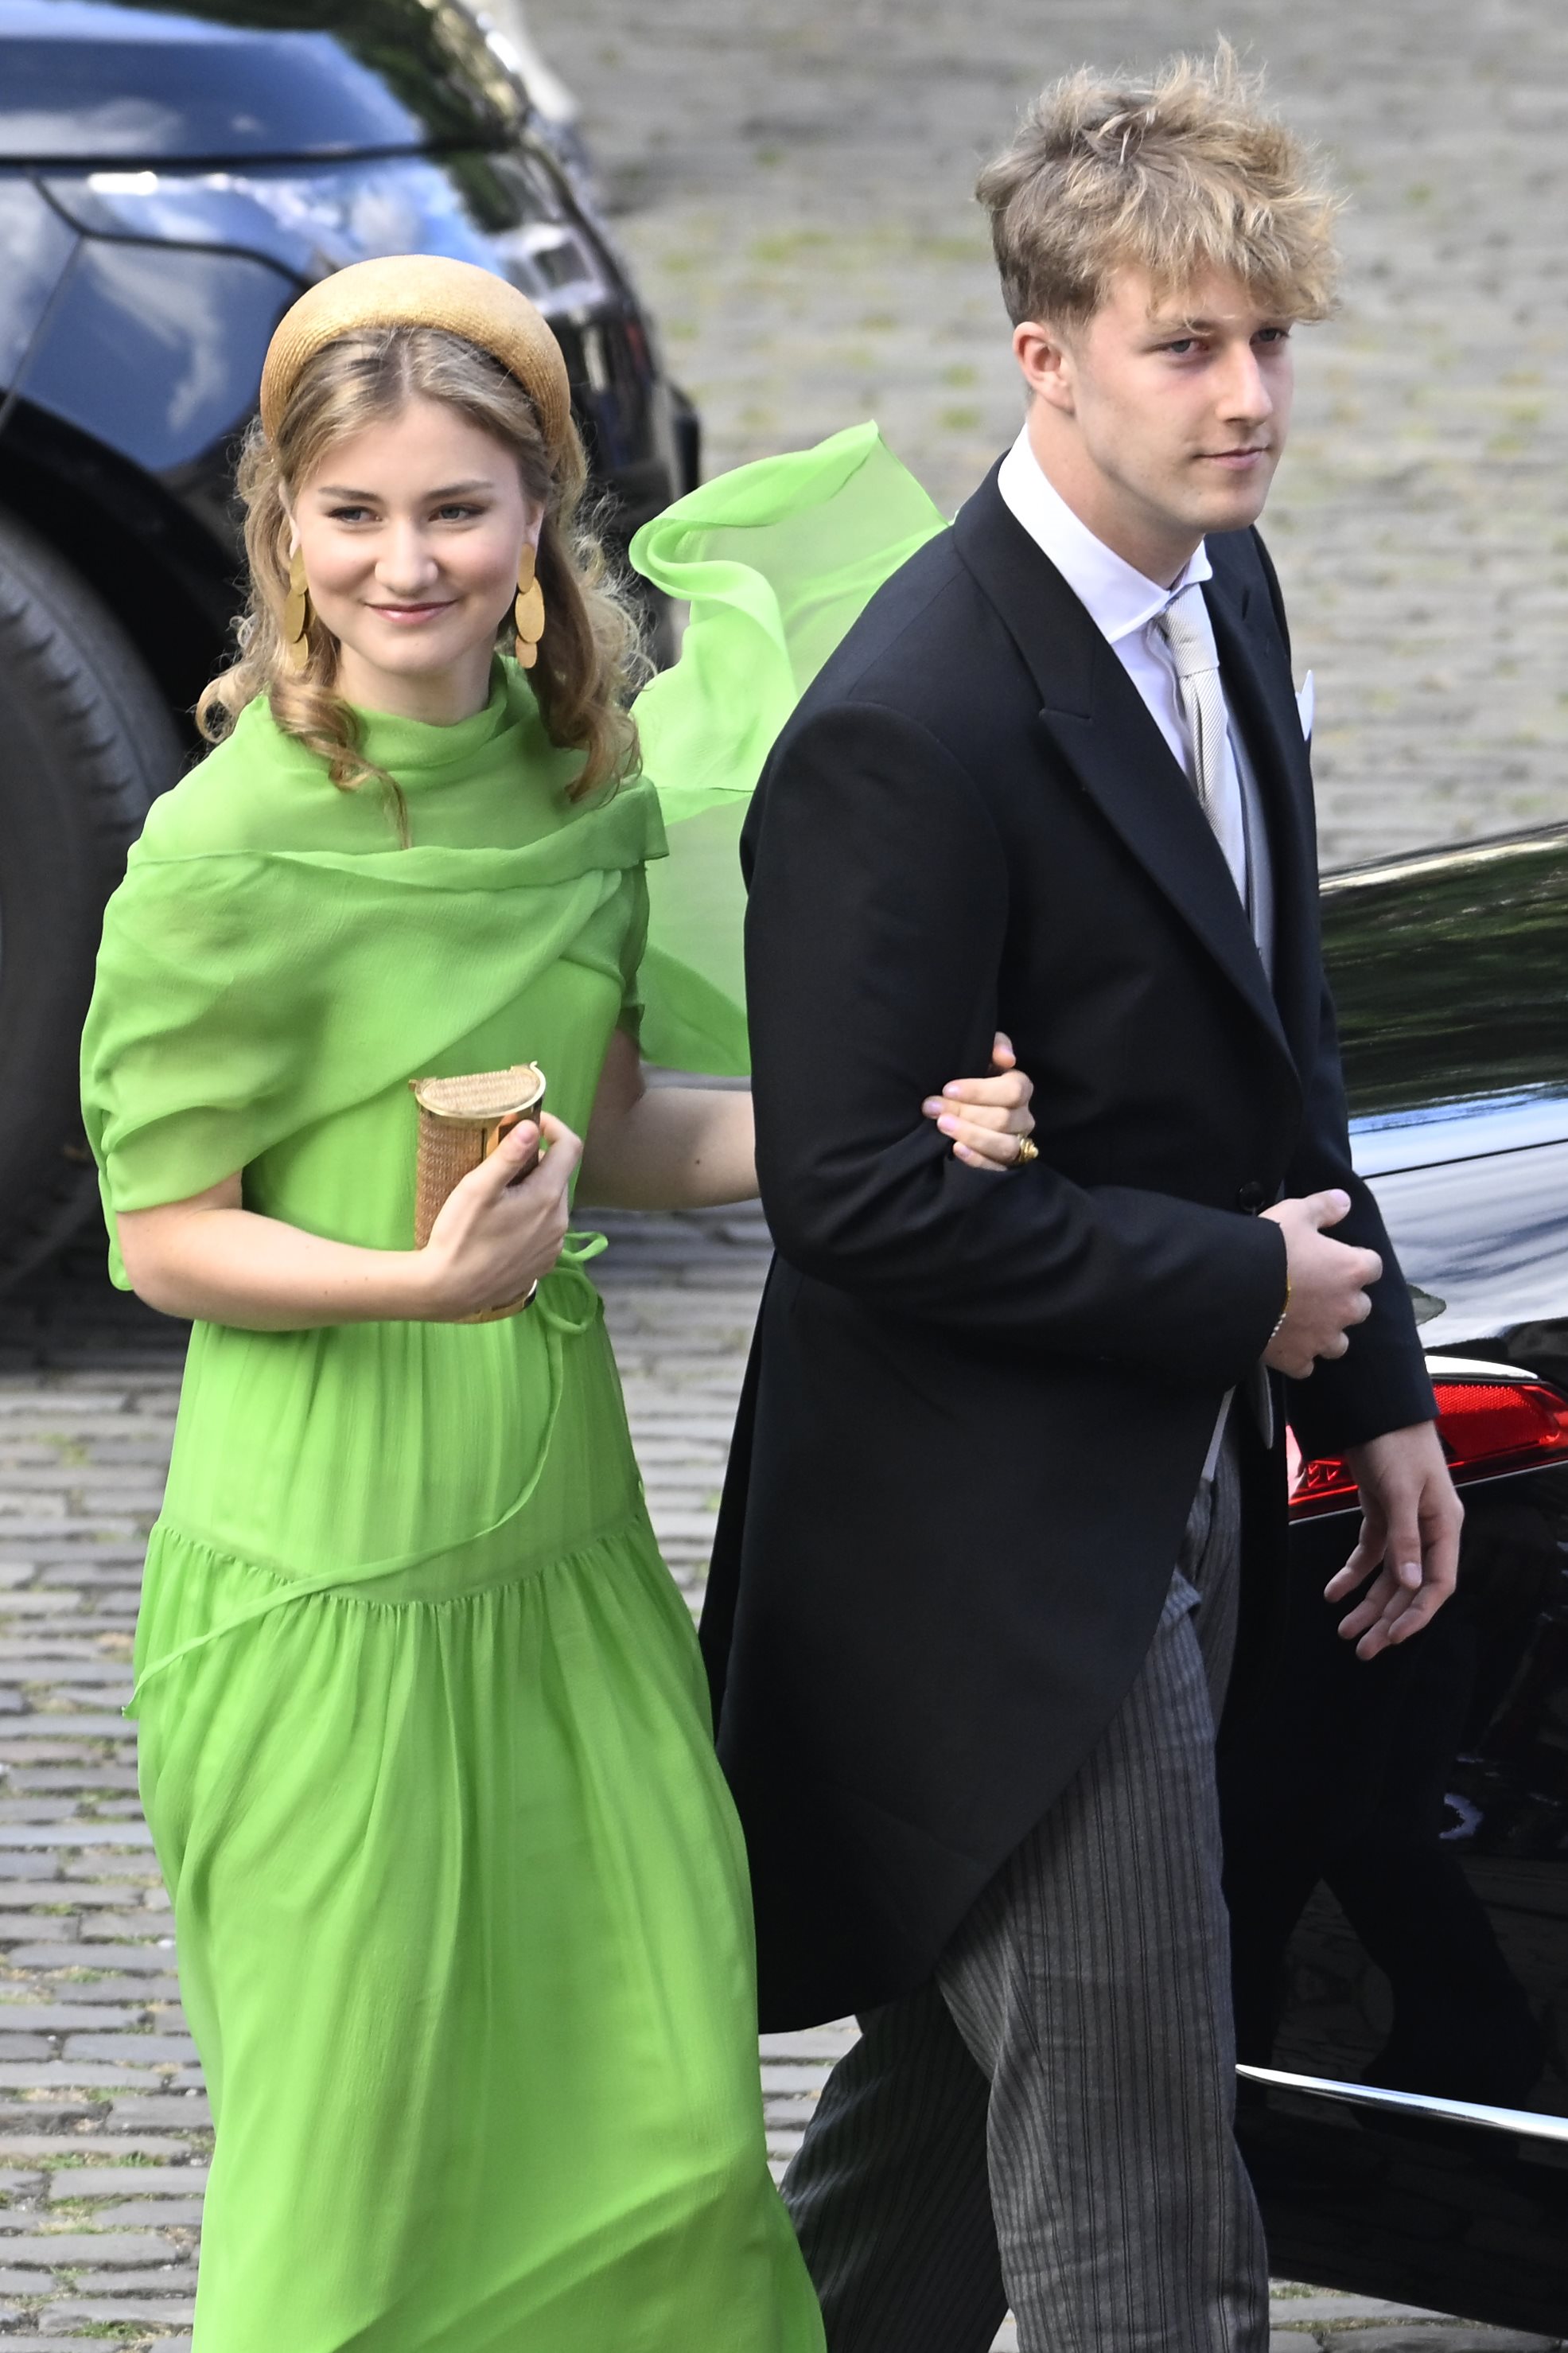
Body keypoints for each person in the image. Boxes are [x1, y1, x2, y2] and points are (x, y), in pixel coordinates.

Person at [79, 255, 1036, 2352]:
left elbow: (608, 1120)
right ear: (282, 531)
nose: (404, 562)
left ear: (539, 520)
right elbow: (166, 1233)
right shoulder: (222, 850)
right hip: (321, 1582)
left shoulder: (574, 785)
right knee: (360, 2192)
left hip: (563, 1556)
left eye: (455, 508)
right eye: (353, 513)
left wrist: (875, 1135)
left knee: (654, 2141)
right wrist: (415, 1284)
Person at [697, 51, 1465, 2353]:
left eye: (1269, 343)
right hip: (977, 1559)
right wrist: (1238, 1278)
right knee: (1144, 2215)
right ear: (1041, 357)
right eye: (1187, 346)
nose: (1248, 399)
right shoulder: (902, 729)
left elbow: (1279, 1035)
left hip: (1182, 1474)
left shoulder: (1224, 593)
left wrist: (1383, 1377)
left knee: (933, 2136)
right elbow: (846, 1202)